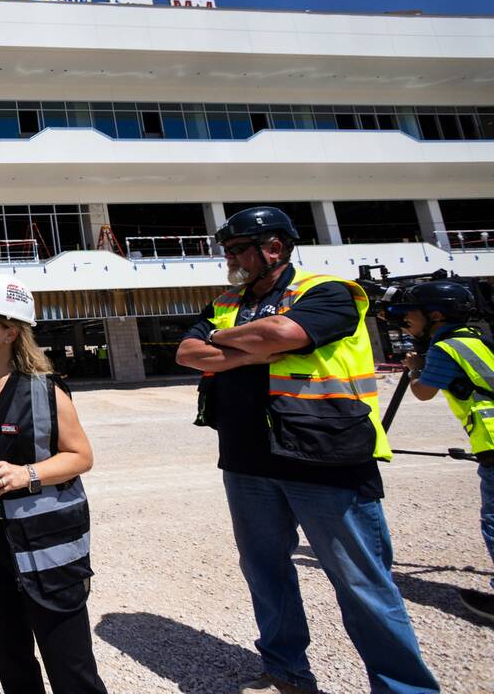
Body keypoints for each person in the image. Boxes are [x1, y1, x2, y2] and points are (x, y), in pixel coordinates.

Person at [175, 206, 438, 694]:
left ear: (273, 248)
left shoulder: (327, 292)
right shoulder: (227, 302)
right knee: (266, 574)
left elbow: (282, 334)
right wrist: (242, 342)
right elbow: (187, 353)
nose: (229, 259)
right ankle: (285, 672)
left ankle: (405, 689)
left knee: (363, 587)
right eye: (227, 251)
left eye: (237, 250)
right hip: (247, 460)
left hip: (326, 457)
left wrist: (252, 342)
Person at [0, 275, 108, 694]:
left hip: (43, 548)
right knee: (12, 662)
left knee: (71, 669)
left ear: (11, 332)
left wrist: (26, 475)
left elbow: (81, 456)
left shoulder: (45, 390)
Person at [390, 280, 494, 622]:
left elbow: (423, 392)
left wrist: (415, 367)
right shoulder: (477, 337)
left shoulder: (446, 348)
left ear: (435, 315)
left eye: (412, 314)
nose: (407, 320)